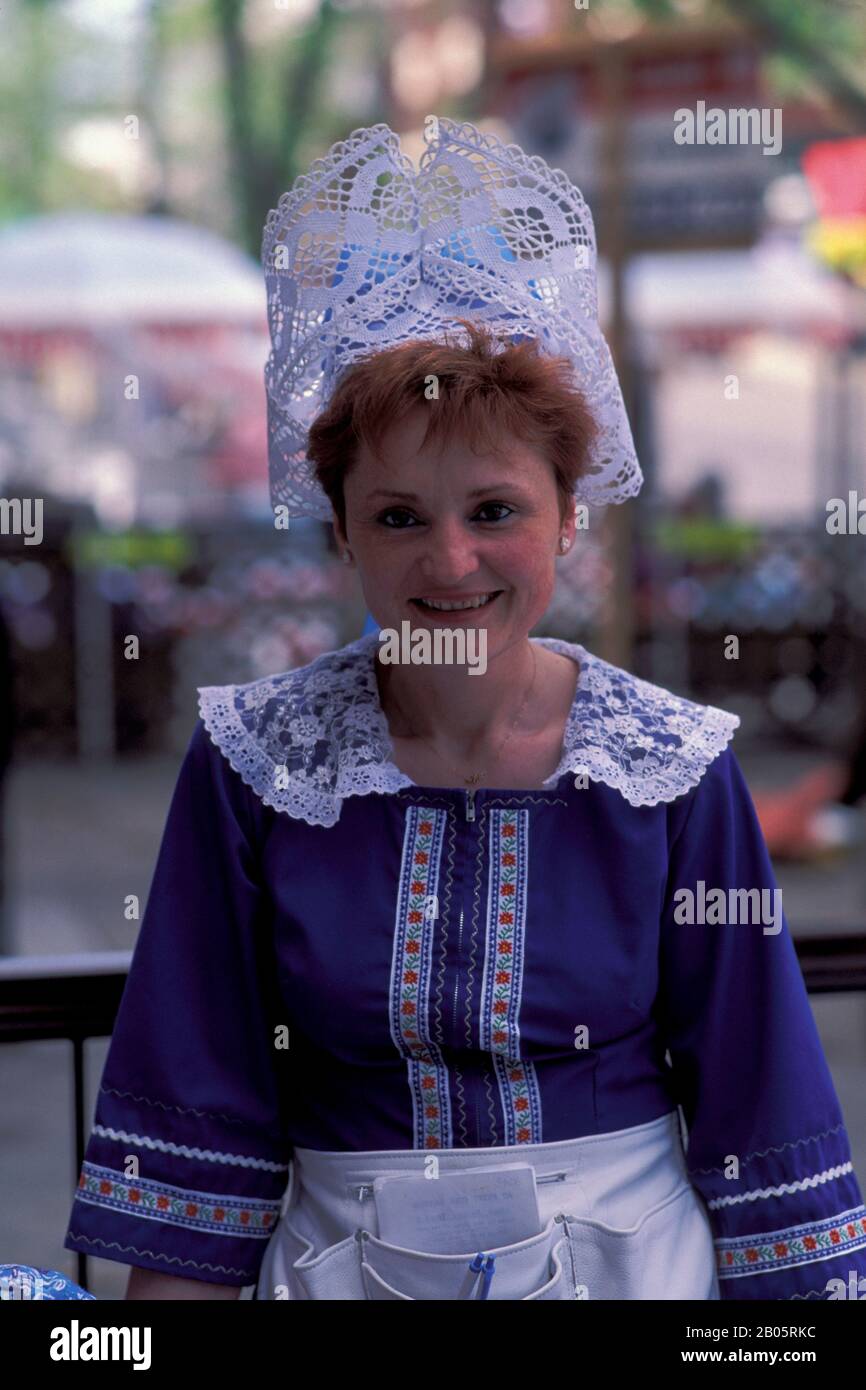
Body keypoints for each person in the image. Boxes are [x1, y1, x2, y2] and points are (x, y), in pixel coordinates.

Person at [63, 118, 866, 1301]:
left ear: (568, 519)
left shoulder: (671, 770)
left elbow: (760, 1110)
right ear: (338, 530)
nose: (449, 562)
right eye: (397, 517)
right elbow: (203, 1111)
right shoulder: (255, 765)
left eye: (494, 509)